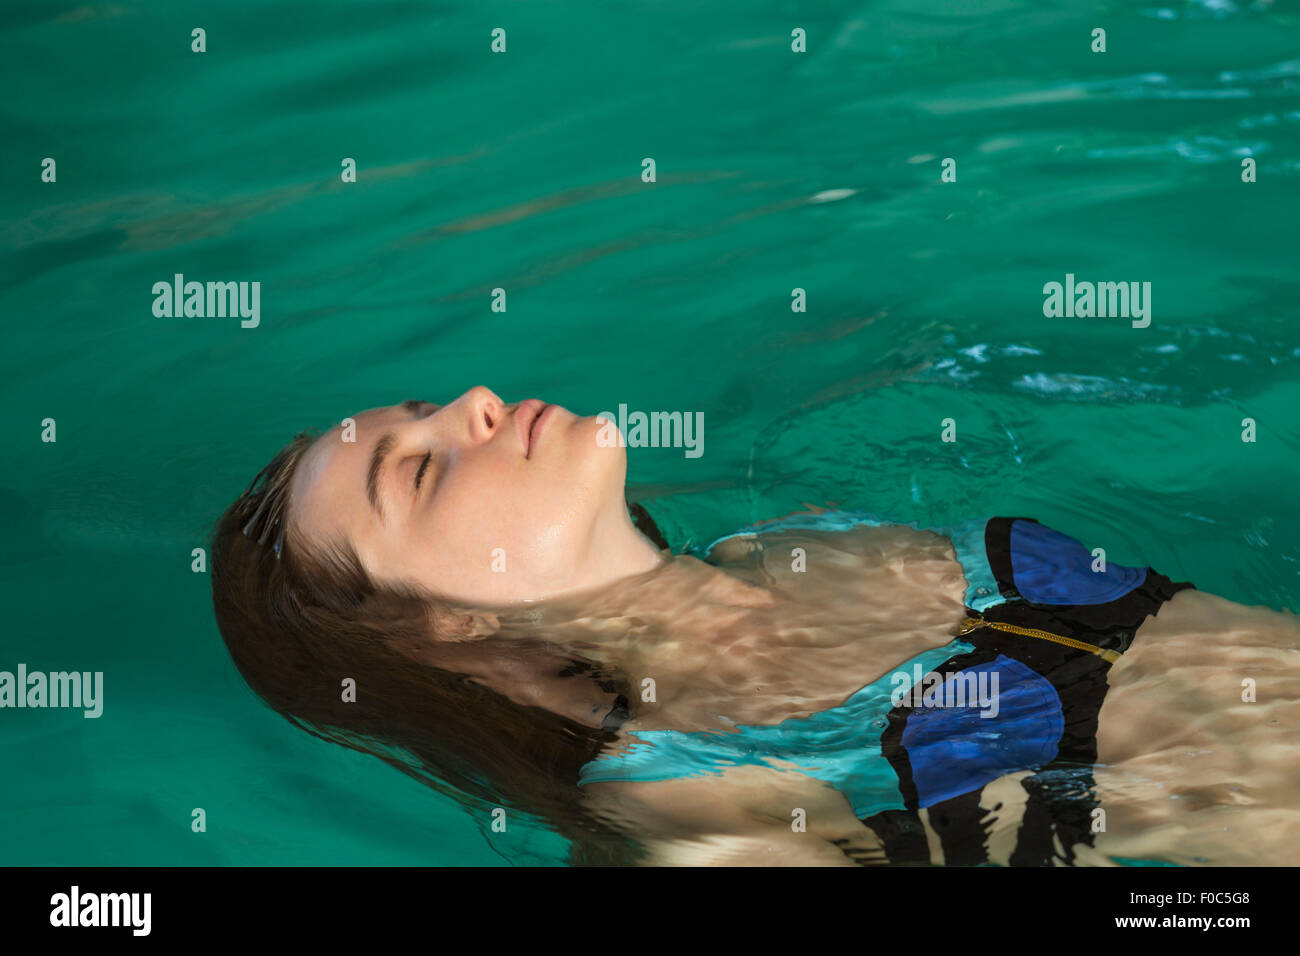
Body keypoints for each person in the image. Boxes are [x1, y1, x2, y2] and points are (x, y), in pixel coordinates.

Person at [210, 386, 1300, 866]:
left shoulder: (816, 538)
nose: (478, 400)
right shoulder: (685, 786)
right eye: (418, 467)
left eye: (423, 406)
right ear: (439, 629)